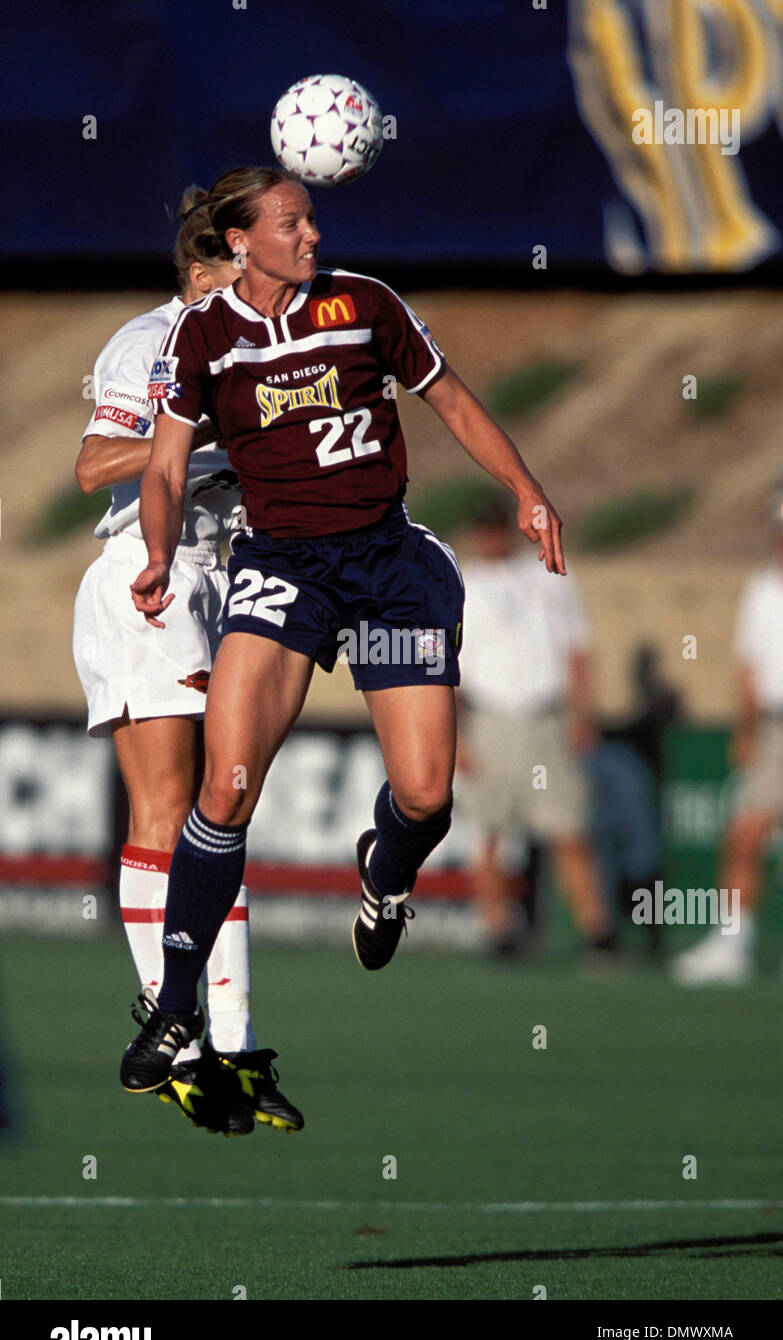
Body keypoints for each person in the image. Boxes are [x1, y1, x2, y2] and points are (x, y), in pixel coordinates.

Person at [122, 165, 566, 1094]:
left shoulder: (364, 305)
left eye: (314, 218)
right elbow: (163, 470)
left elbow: (450, 401)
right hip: (283, 569)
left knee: (427, 796)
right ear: (241, 242)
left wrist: (526, 491)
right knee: (227, 787)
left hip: (386, 567)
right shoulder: (201, 336)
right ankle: (174, 1014)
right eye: (293, 222)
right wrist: (158, 555)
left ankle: (385, 867)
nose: (314, 235)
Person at [72, 187, 303, 1135]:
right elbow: (94, 463)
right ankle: (183, 1040)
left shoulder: (257, 345)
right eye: (241, 271)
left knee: (222, 810)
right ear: (204, 271)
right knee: (172, 812)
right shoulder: (154, 341)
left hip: (220, 585)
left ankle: (236, 1046)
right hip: (147, 579)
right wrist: (208, 428)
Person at [457, 495, 615, 960]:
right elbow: (446, 667)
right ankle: (499, 929)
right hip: (490, 719)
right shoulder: (460, 581)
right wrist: (457, 736)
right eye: (483, 529)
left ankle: (596, 931)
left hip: (545, 716)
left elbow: (577, 650)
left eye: (496, 528)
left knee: (568, 829)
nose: (491, 538)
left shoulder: (549, 576)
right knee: (488, 832)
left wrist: (582, 714)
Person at [671, 480, 783, 985]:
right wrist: (746, 729)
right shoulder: (763, 588)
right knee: (744, 835)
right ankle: (733, 943)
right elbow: (750, 668)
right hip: (775, 729)